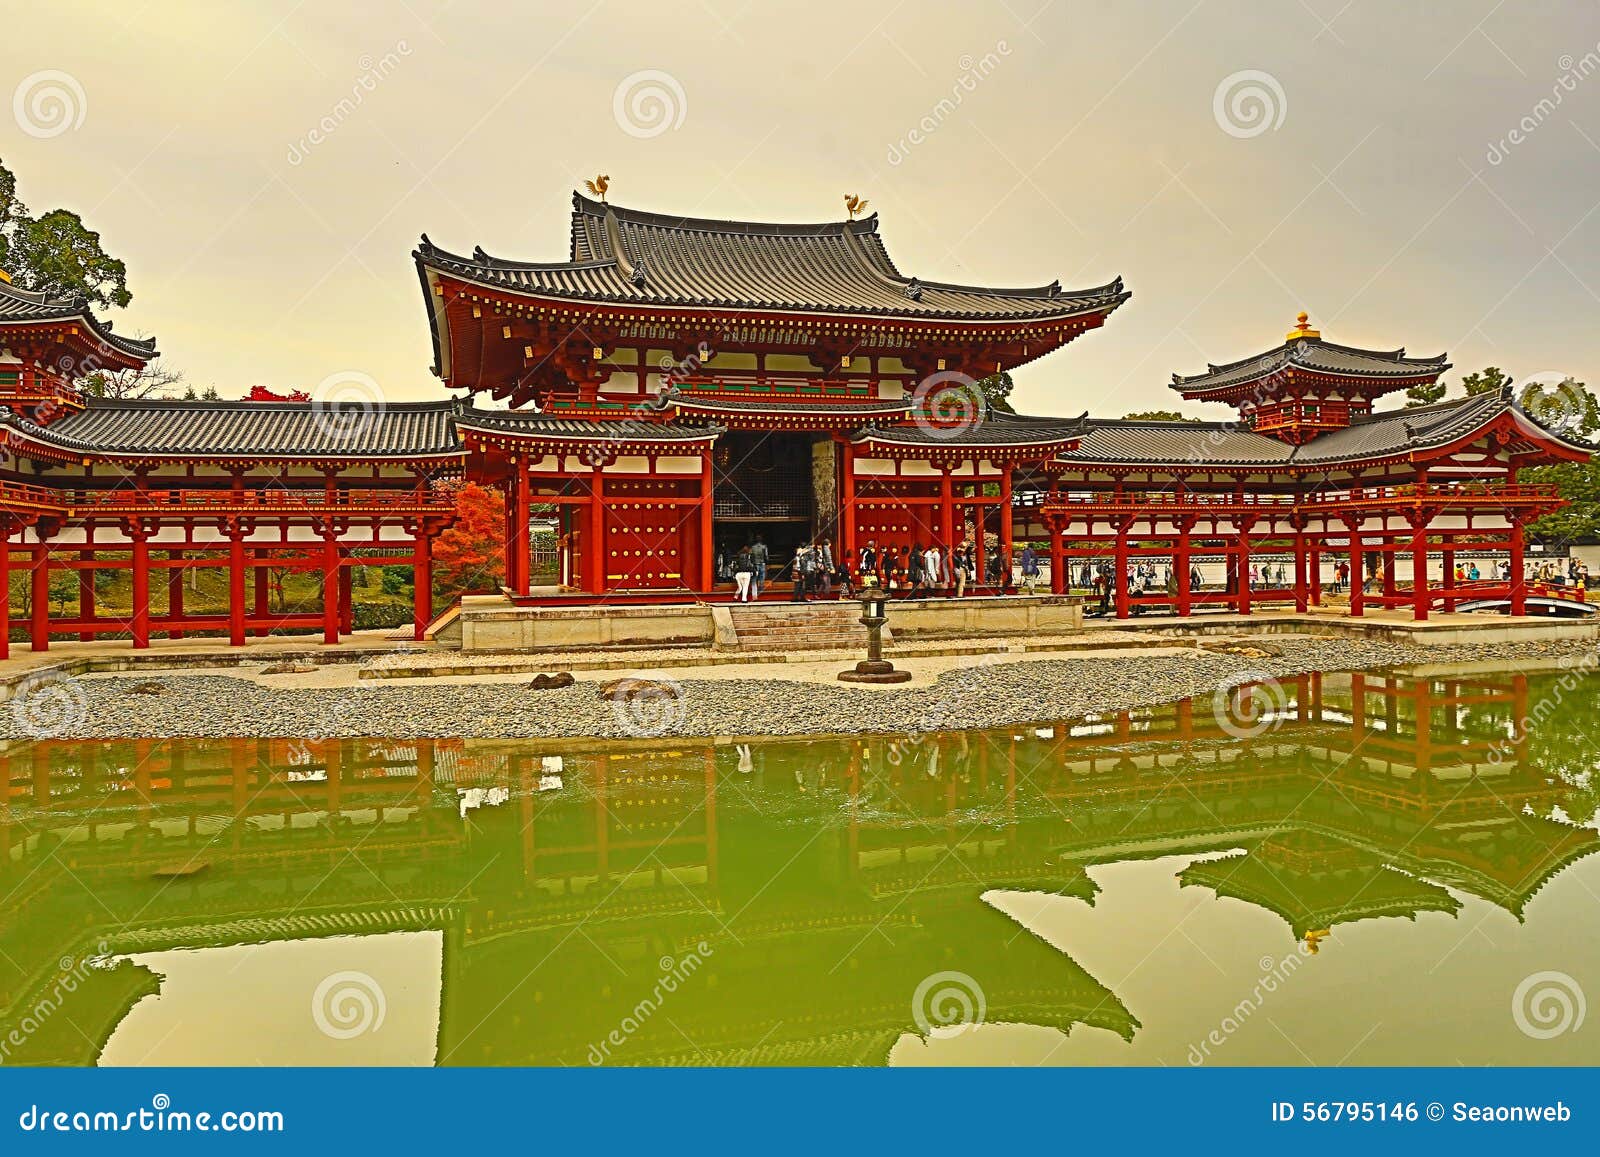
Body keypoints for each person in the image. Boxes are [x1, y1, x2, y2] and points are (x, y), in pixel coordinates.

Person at [750, 534, 769, 599]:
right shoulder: (764, 547)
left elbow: (751, 557)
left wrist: (752, 563)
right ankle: (760, 591)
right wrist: (767, 562)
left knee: (754, 578)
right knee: (762, 577)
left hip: (755, 564)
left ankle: (754, 593)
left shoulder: (753, 547)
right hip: (762, 563)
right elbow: (766, 556)